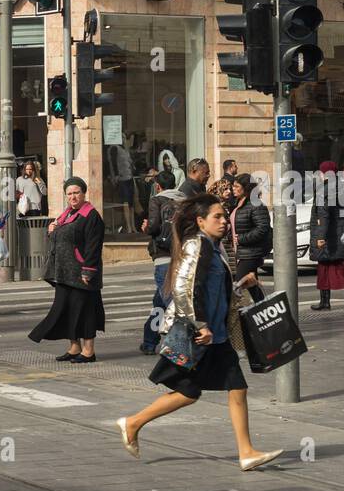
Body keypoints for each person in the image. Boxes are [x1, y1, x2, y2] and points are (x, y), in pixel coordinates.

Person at [115, 196, 283, 470]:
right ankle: (132, 422)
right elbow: (183, 290)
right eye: (216, 217)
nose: (223, 222)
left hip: (216, 335)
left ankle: (246, 452)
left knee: (232, 388)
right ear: (200, 221)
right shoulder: (197, 246)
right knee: (189, 392)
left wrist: (241, 283)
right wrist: (200, 326)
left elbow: (216, 291)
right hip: (199, 334)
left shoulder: (215, 248)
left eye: (223, 216)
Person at [29, 177, 105, 363]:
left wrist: (88, 271)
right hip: (64, 273)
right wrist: (52, 230)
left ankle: (89, 351)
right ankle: (74, 347)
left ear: (84, 193)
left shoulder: (91, 215)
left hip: (81, 273)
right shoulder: (67, 215)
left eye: (76, 192)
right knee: (67, 311)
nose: (73, 196)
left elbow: (93, 246)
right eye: (69, 193)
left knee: (86, 312)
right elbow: (60, 239)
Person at [310, 160, 344, 310]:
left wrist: (321, 237)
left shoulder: (325, 191)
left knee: (337, 269)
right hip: (341, 234)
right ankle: (325, 302)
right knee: (326, 269)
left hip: (329, 236)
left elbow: (323, 217)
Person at [139, 170, 182, 354]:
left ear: (158, 186)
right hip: (182, 255)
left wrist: (146, 227)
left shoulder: (157, 200)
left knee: (169, 301)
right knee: (160, 302)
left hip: (163, 257)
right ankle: (149, 341)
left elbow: (154, 226)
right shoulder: (184, 200)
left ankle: (178, 342)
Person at [229, 173, 272, 304]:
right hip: (243, 251)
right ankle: (265, 310)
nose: (233, 189)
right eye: (233, 186)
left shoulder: (255, 204)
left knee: (238, 283)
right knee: (252, 285)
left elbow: (263, 228)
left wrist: (242, 239)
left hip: (251, 253)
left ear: (246, 188)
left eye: (237, 186)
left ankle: (235, 315)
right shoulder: (239, 203)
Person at [110, 139, 137, 234]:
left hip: (129, 178)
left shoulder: (124, 149)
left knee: (131, 203)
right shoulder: (114, 148)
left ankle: (133, 226)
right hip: (122, 179)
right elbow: (113, 163)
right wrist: (116, 176)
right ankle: (129, 227)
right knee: (126, 203)